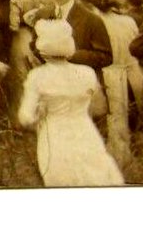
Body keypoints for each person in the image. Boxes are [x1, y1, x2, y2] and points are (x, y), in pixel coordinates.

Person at [17, 20, 124, 187]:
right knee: (94, 176)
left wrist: (42, 114)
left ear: (42, 48)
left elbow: (25, 118)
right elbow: (99, 108)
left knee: (61, 181)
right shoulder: (87, 72)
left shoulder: (37, 76)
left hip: (54, 135)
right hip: (85, 131)